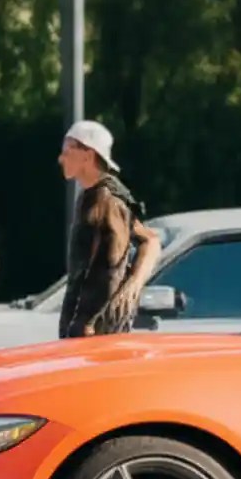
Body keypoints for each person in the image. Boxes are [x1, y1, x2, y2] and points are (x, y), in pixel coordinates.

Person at [56, 120, 162, 339]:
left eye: (67, 150)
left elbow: (108, 270)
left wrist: (89, 323)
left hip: (92, 335)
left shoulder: (106, 199)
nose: (61, 158)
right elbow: (149, 239)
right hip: (89, 331)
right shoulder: (95, 196)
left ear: (88, 155)